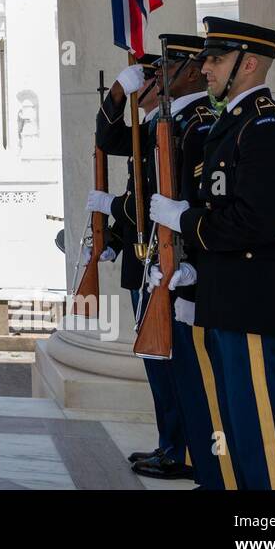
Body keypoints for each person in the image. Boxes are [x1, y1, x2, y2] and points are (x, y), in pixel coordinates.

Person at [150, 17, 275, 490]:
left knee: (265, 432)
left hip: (254, 299)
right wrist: (191, 275)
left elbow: (251, 223)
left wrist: (182, 219)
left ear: (250, 63)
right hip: (227, 297)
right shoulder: (233, 124)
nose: (206, 70)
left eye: (217, 60)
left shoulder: (267, 127)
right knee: (238, 427)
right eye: (206, 60)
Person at [87, 54, 191, 480]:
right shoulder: (151, 127)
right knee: (158, 364)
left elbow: (155, 199)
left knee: (174, 363)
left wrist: (114, 207)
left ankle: (182, 451)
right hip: (143, 258)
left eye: (155, 75)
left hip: (166, 262)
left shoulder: (186, 124)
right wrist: (116, 92)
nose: (146, 84)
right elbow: (107, 137)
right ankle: (171, 445)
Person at [142, 34, 237, 490]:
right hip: (170, 264)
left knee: (201, 384)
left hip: (193, 272)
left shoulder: (200, 125)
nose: (155, 80)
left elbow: (206, 204)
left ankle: (210, 468)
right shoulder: (176, 123)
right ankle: (195, 461)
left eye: (161, 70)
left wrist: (191, 270)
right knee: (178, 374)